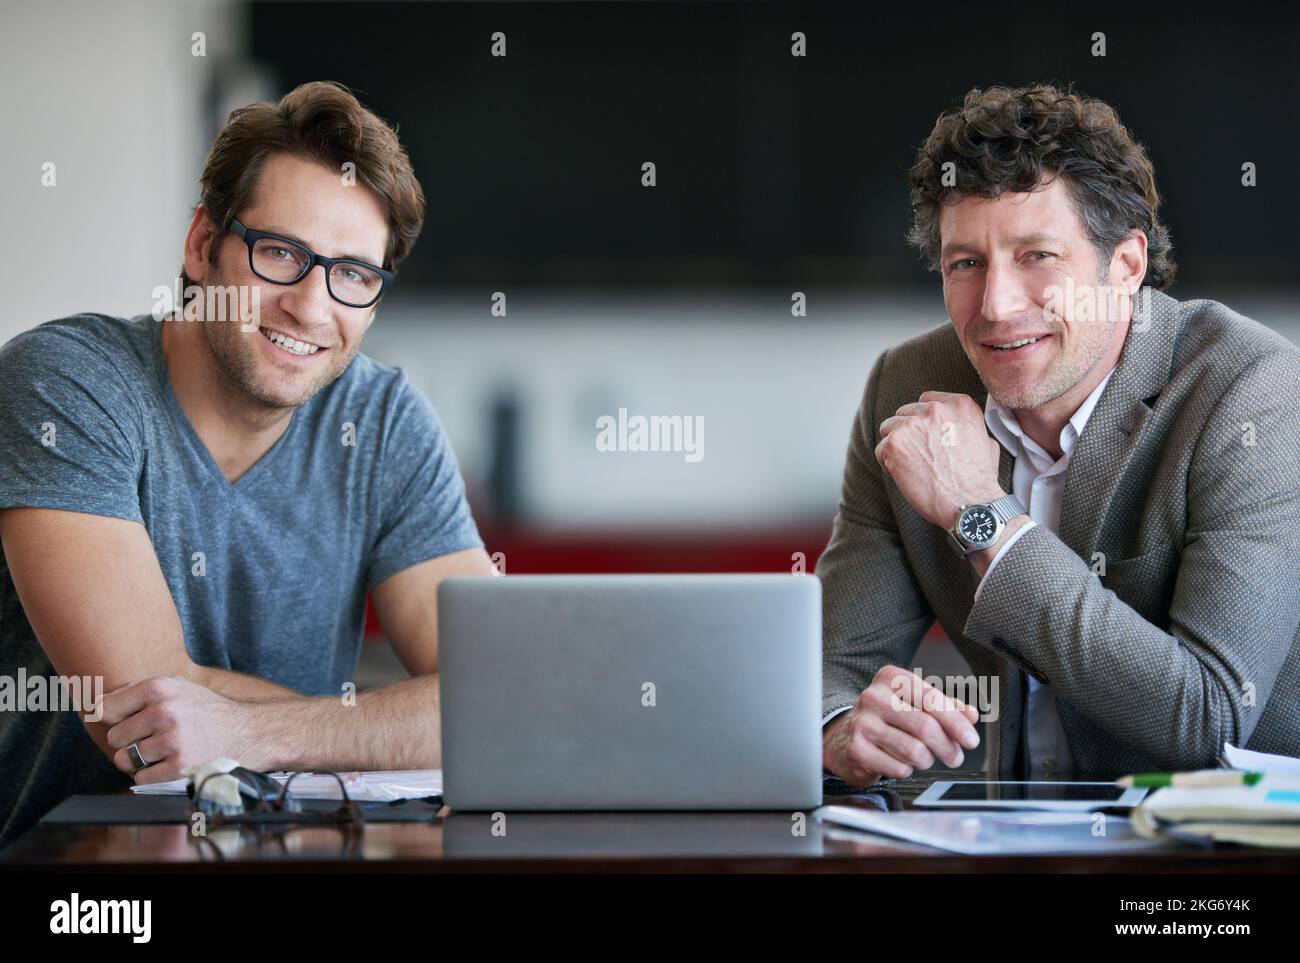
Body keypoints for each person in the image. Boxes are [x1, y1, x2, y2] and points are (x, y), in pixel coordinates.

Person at [0, 81, 494, 847]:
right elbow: (143, 723)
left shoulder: (386, 422)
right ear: (203, 245)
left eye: (354, 275)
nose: (311, 305)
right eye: (281, 253)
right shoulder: (65, 385)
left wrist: (245, 729)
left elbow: (498, 698)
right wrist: (387, 721)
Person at [819, 82, 1300, 787]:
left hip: (1219, 853)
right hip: (1014, 836)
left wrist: (982, 514)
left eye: (1038, 256)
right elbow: (833, 666)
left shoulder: (1253, 392)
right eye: (965, 263)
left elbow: (1210, 721)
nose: (996, 306)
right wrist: (837, 727)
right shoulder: (907, 388)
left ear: (1126, 266)